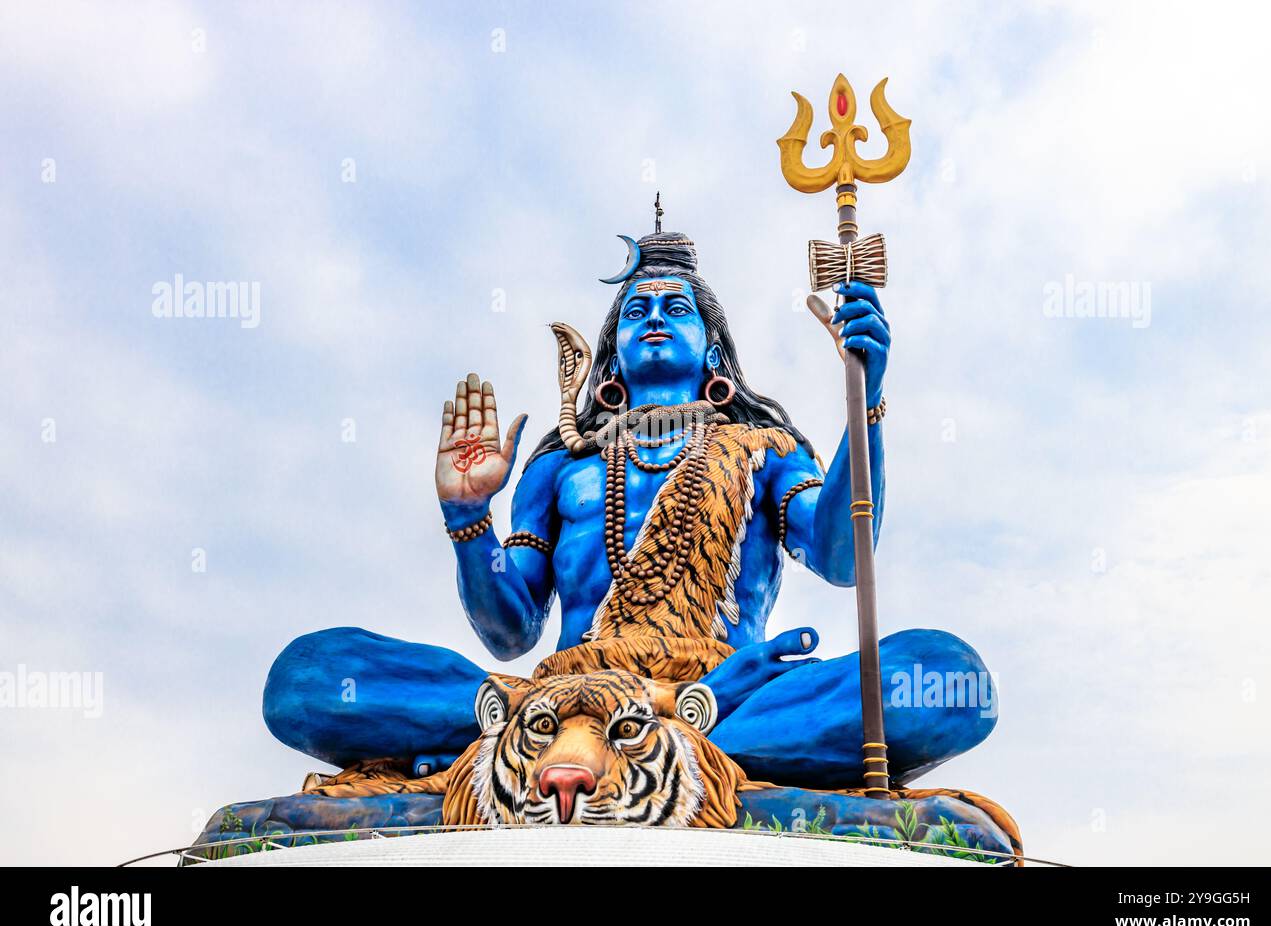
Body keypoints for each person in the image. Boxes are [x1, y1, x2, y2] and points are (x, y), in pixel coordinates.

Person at [263, 230, 996, 790]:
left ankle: (639, 740)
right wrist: (467, 521)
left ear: (714, 351)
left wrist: (863, 400)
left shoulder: (764, 447)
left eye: (676, 308)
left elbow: (841, 559)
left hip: (727, 694)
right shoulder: (561, 466)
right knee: (306, 679)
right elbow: (510, 630)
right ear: (610, 357)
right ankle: (649, 742)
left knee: (944, 680)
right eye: (637, 310)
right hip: (561, 697)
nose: (654, 317)